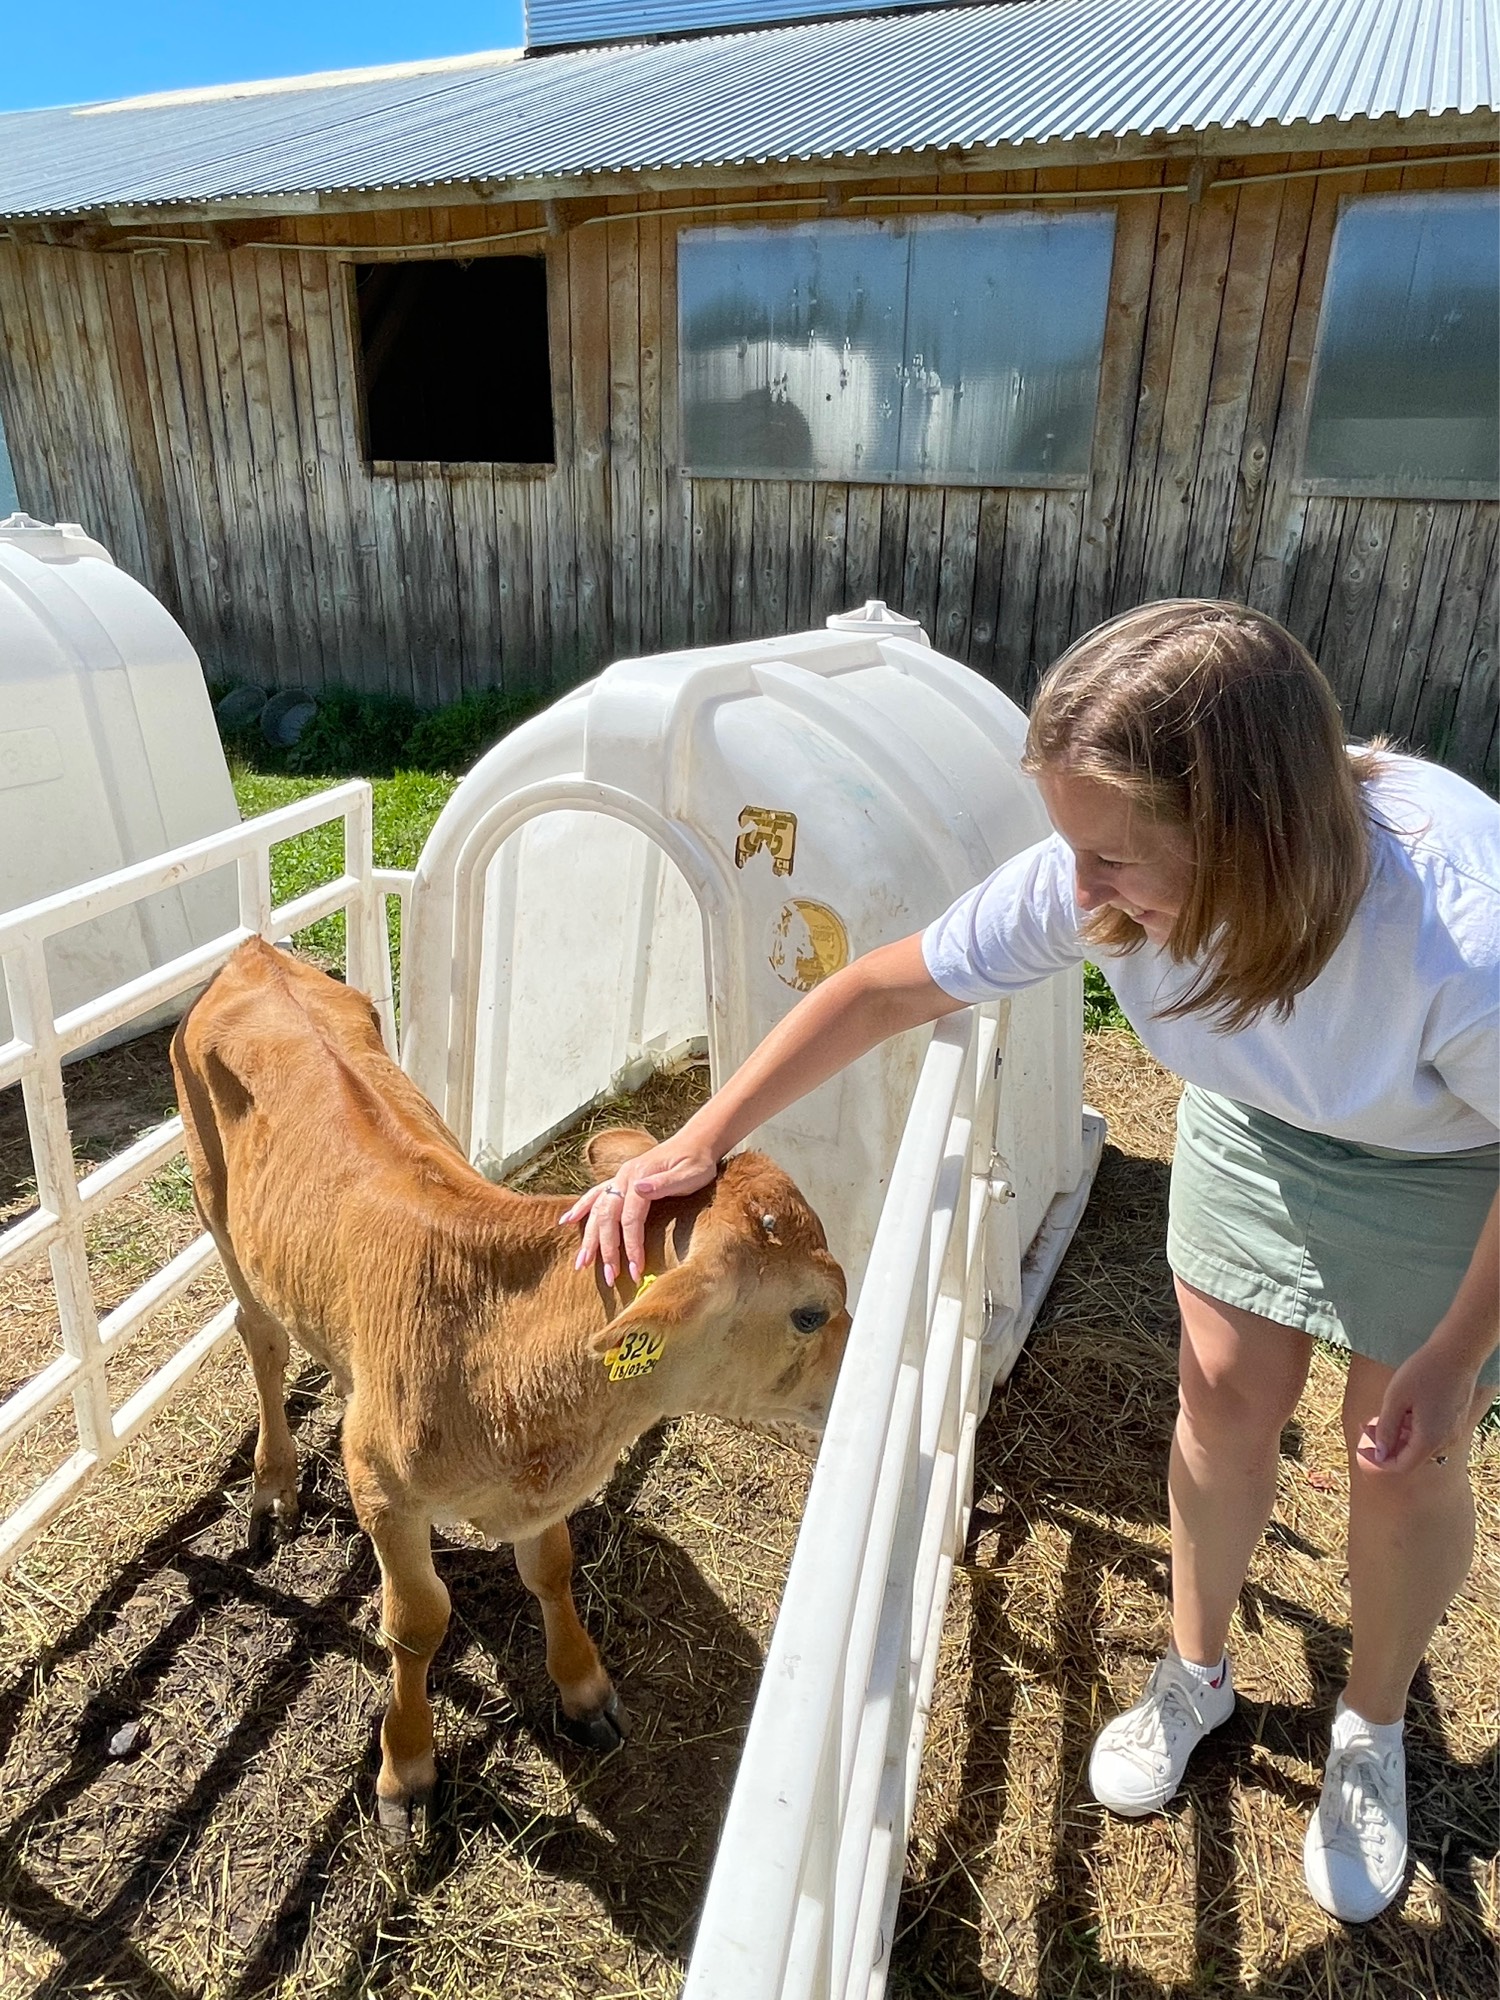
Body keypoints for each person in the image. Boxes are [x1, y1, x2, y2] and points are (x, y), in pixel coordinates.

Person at [561, 599, 1498, 1925]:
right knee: (1224, 1399)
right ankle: (1194, 1670)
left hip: (1448, 1157)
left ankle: (1371, 1726)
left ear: (1253, 832)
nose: (1079, 889)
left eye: (1113, 857)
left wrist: (1457, 1354)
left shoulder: (1461, 930)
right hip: (1256, 1114)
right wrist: (698, 1140)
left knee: (1398, 1454)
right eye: (1069, 844)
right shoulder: (1099, 883)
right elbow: (882, 988)